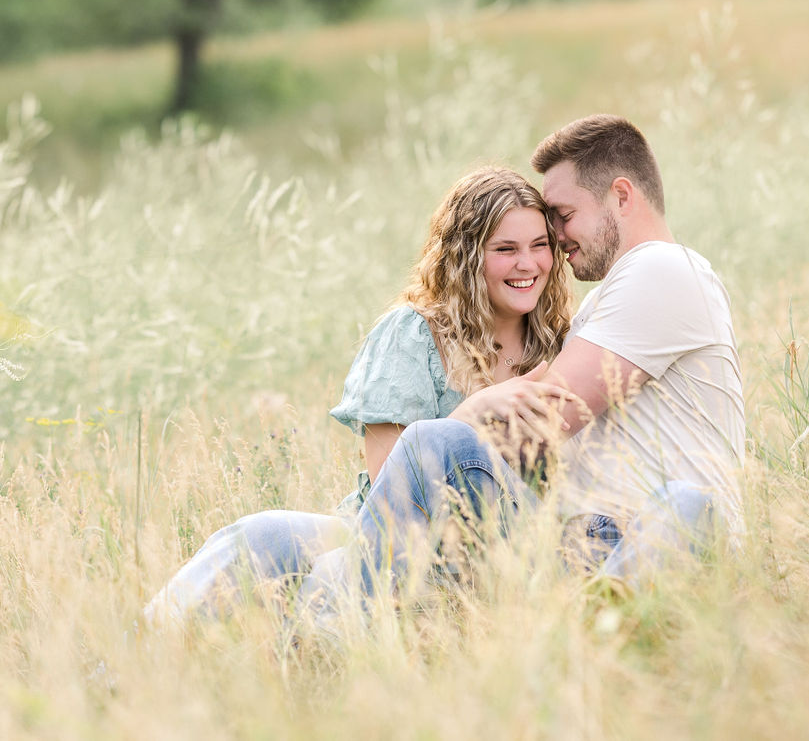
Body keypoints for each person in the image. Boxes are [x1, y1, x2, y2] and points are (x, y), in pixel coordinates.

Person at [145, 165, 575, 624]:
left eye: (539, 246)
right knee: (261, 535)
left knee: (328, 570)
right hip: (386, 534)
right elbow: (390, 492)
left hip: (505, 543)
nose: (528, 264)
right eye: (505, 249)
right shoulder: (416, 333)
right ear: (466, 257)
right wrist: (470, 414)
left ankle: (324, 635)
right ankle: (136, 656)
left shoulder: (566, 345)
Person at [340, 114, 744, 602]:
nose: (556, 236)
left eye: (562, 216)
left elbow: (542, 421)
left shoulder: (661, 268)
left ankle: (357, 624)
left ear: (620, 196)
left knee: (438, 440)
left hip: (634, 534)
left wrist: (458, 427)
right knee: (268, 535)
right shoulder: (602, 301)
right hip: (577, 543)